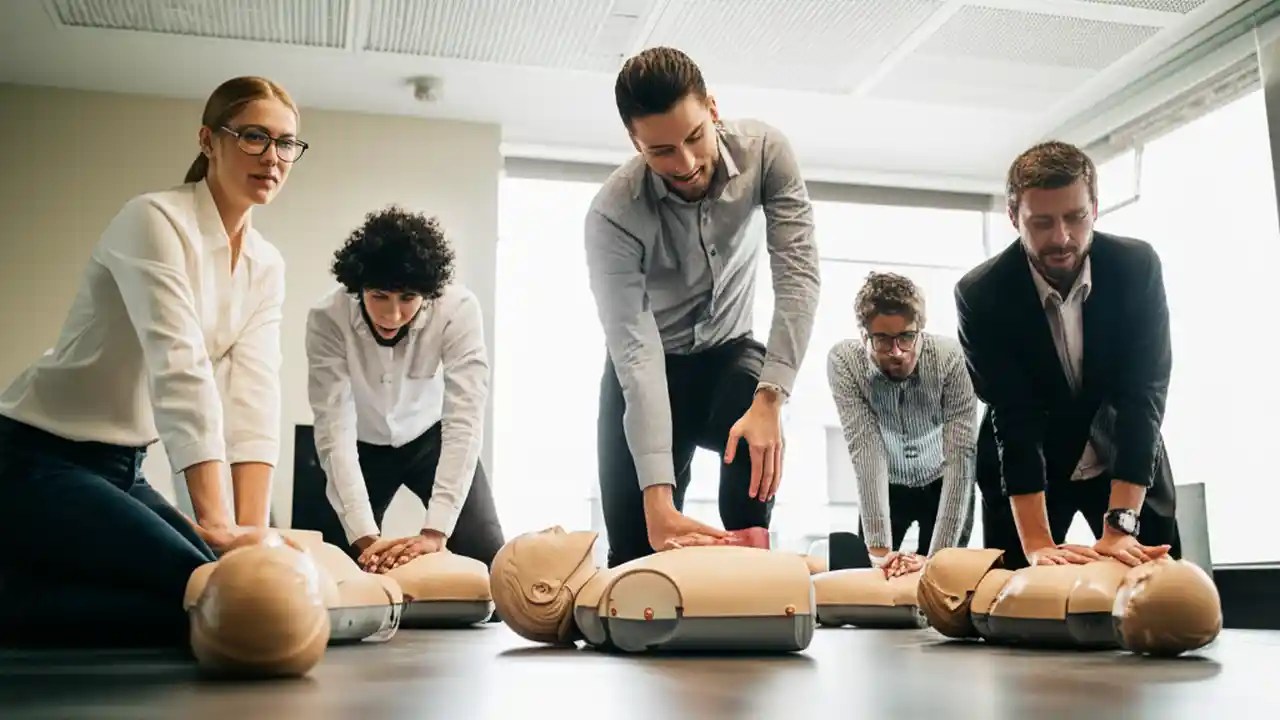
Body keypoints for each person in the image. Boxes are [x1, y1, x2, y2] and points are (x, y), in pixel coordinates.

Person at [0, 76, 307, 645]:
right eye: (254, 137)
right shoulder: (153, 220)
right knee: (208, 598)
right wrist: (217, 525)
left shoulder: (266, 263)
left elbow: (255, 393)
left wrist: (252, 534)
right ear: (208, 141)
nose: (273, 157)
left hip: (124, 468)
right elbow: (180, 368)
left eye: (286, 143)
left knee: (235, 585)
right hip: (34, 457)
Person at [585, 46, 820, 567]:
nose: (686, 164)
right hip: (648, 368)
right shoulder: (612, 214)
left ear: (712, 108)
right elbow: (635, 351)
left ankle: (750, 563)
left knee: (754, 419)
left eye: (694, 137)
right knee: (634, 554)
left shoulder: (766, 152)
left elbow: (798, 277)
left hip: (727, 356)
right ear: (635, 142)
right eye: (662, 151)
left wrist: (771, 401)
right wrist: (659, 500)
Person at [954, 140, 1180, 570]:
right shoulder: (981, 295)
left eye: (1075, 217)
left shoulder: (1136, 268)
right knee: (1016, 600)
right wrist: (1036, 544)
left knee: (1159, 597)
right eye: (1041, 223)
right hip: (1029, 467)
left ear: (1094, 207)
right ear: (1013, 218)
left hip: (1123, 453)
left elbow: (1143, 395)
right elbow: (1013, 415)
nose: (1062, 238)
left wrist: (1120, 526)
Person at [301, 206, 505, 575]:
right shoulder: (326, 318)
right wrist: (365, 538)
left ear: (426, 293)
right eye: (379, 296)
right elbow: (334, 429)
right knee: (329, 576)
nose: (392, 315)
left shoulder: (458, 310)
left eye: (407, 298)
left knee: (489, 564)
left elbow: (465, 419)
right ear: (358, 286)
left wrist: (435, 530)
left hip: (431, 437)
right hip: (359, 444)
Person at [827, 272, 977, 577]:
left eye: (906, 337)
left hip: (943, 480)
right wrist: (879, 553)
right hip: (887, 484)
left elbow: (961, 458)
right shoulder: (845, 363)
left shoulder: (951, 360)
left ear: (920, 331)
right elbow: (865, 449)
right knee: (875, 575)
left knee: (940, 579)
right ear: (863, 335)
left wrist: (936, 560)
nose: (897, 352)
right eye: (882, 339)